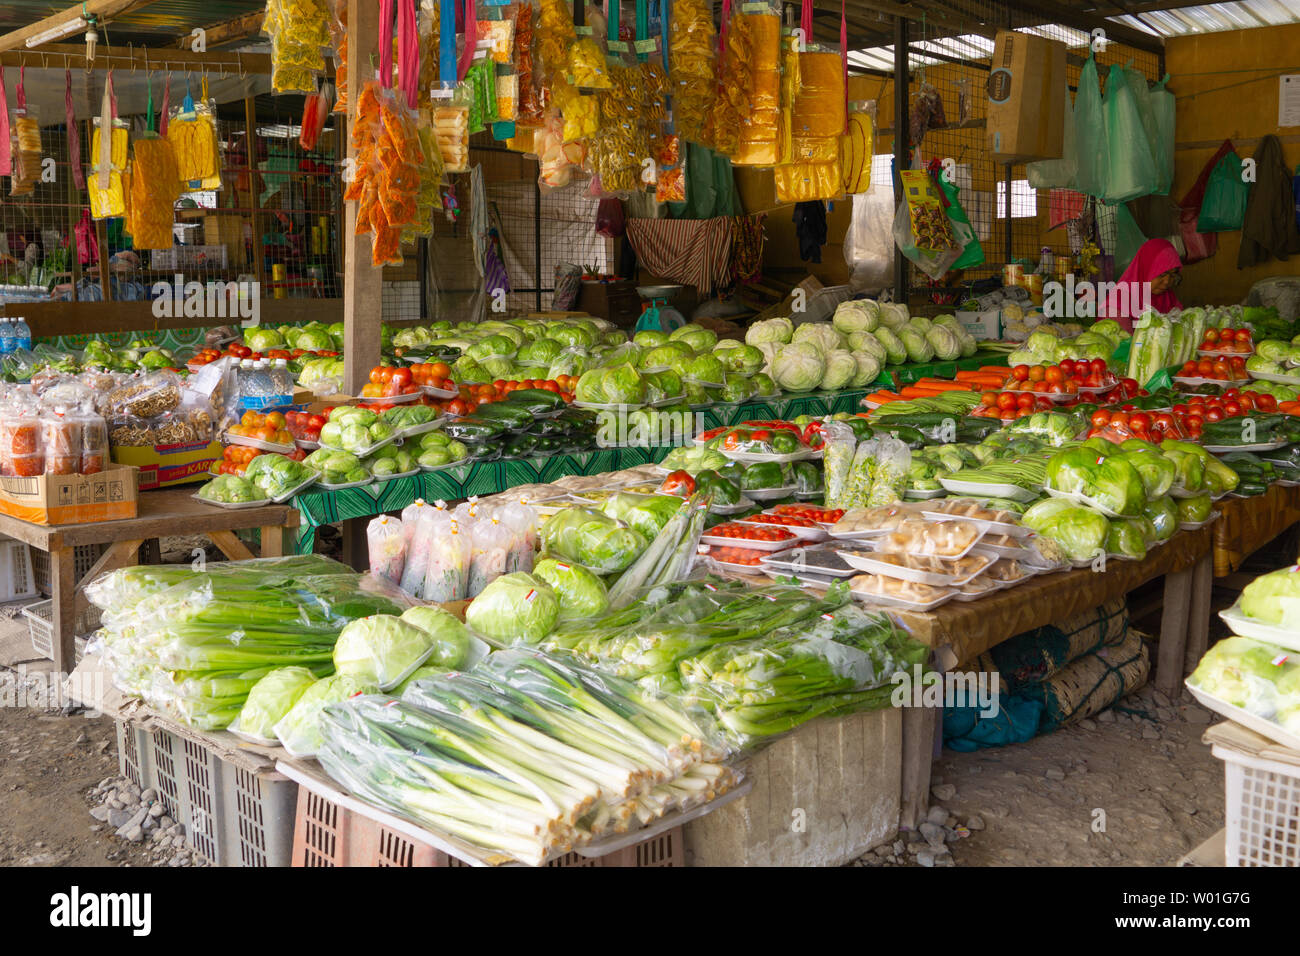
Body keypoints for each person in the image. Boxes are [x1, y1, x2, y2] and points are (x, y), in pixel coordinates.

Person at [1097, 238, 1183, 331]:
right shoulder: (1119, 303)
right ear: (1145, 269)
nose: (1167, 281)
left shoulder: (1167, 297)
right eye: (1162, 274)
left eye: (1172, 274)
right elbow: (1124, 342)